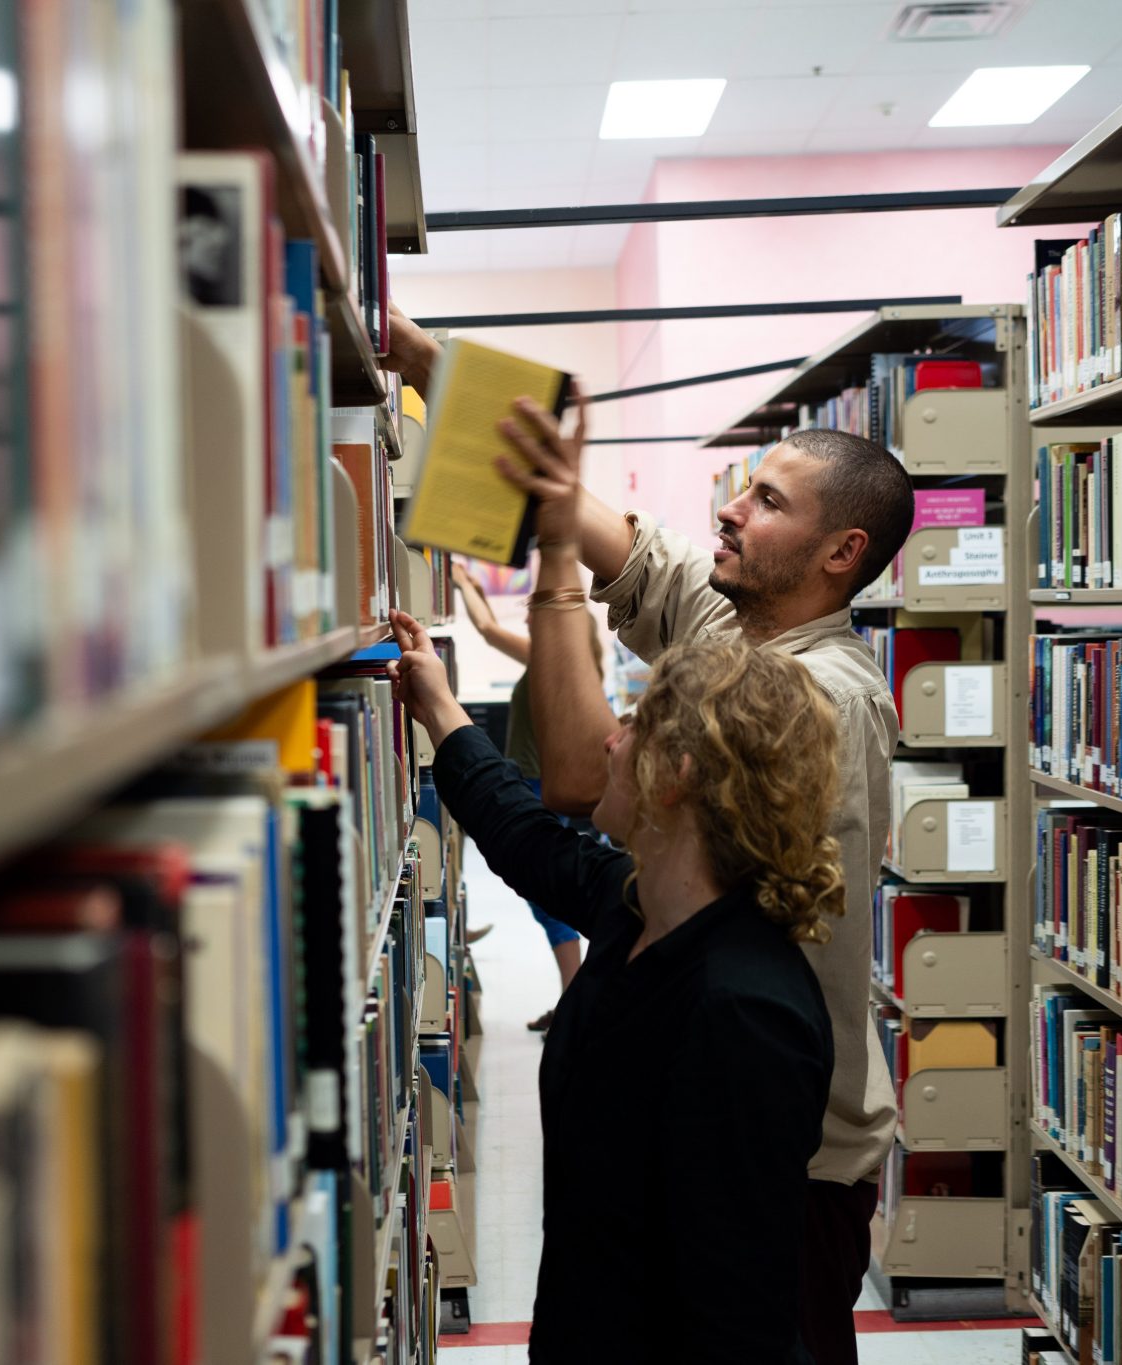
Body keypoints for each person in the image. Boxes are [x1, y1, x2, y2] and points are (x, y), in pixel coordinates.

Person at [384, 302, 912, 1365]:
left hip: (783, 1147)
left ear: (838, 552)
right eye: (741, 485)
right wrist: (409, 356)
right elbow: (576, 508)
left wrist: (548, 567)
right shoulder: (736, 616)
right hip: (689, 1093)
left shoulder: (814, 697)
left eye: (766, 501)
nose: (729, 509)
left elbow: (577, 779)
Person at [389, 609, 841, 1365]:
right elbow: (523, 836)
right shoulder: (636, 905)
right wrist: (439, 707)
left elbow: (737, 1318)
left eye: (633, 726)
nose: (609, 739)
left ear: (681, 773)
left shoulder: (746, 1013)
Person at [449, 560, 605, 1029]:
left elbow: (488, 629)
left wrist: (461, 583)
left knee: (548, 895)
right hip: (542, 782)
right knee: (551, 892)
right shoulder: (574, 658)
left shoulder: (551, 657)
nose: (528, 620)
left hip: (539, 785)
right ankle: (576, 997)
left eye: (534, 613)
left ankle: (576, 1000)